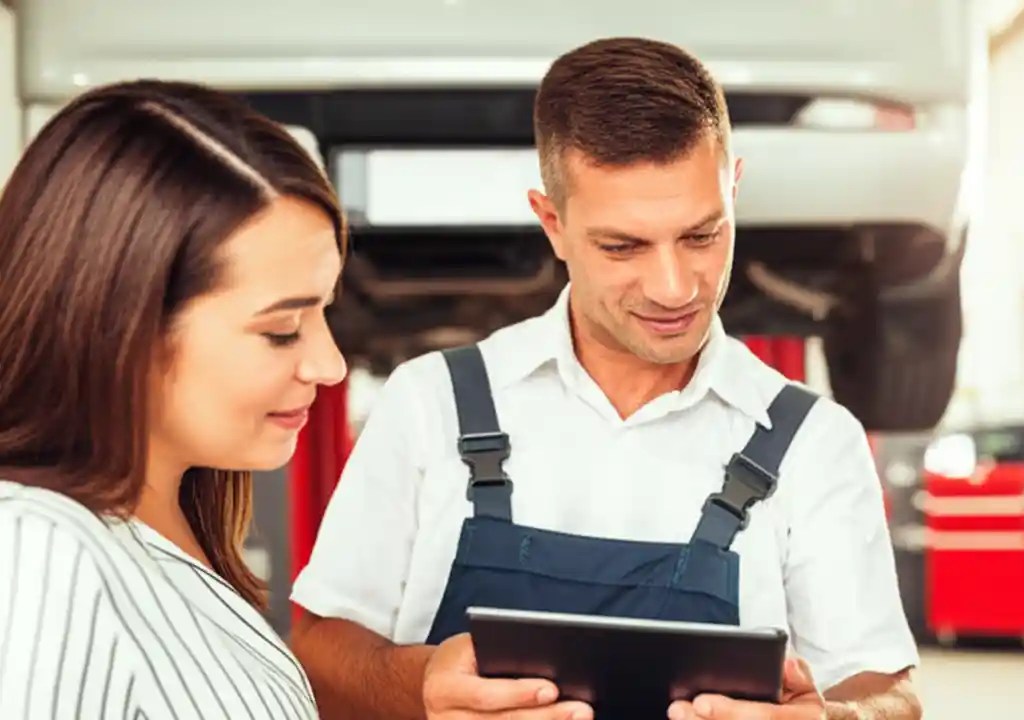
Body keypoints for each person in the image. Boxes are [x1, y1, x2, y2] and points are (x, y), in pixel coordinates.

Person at [290, 36, 922, 720]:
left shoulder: (813, 443)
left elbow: (888, 691)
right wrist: (418, 686)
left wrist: (838, 718)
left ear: (732, 188)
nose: (674, 286)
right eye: (623, 246)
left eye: (702, 235)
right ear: (553, 224)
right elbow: (320, 654)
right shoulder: (429, 405)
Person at [0, 79, 348, 719]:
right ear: (120, 326)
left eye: (324, 313)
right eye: (281, 330)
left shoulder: (173, 531)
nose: (330, 365)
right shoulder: (38, 548)